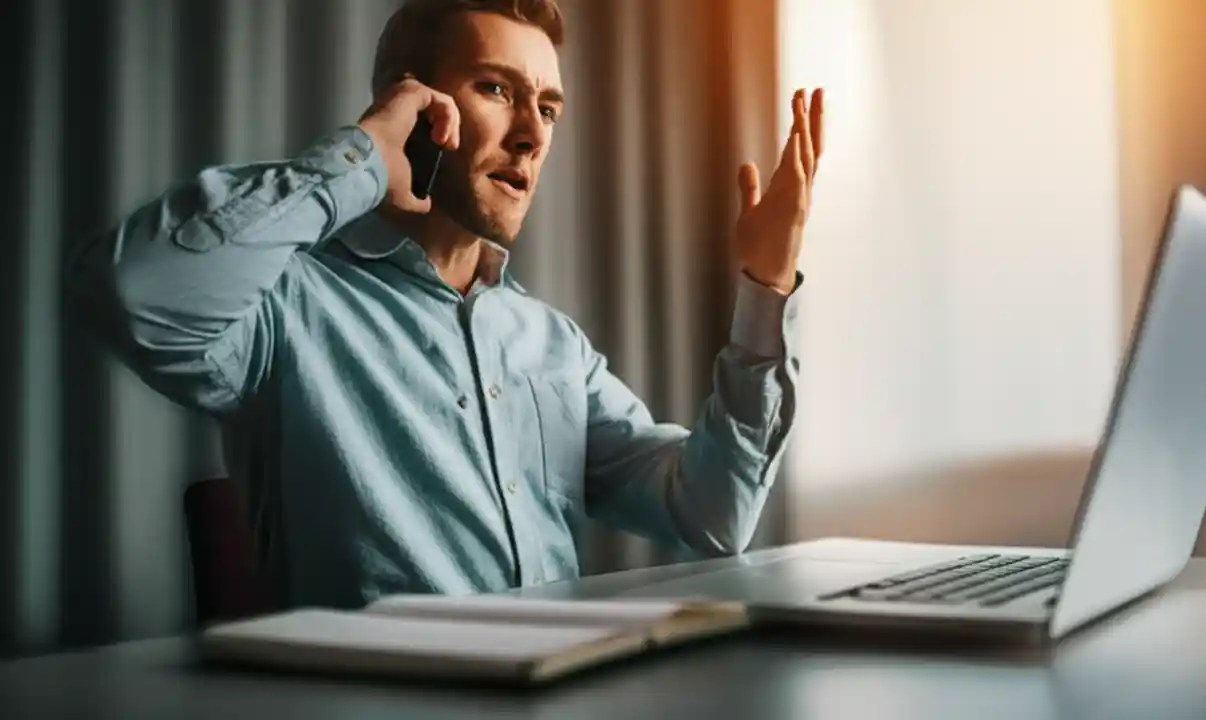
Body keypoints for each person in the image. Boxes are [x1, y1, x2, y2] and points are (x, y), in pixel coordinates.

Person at [68, 0, 824, 609]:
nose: (531, 134)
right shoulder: (286, 306)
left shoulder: (551, 344)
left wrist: (767, 281)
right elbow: (136, 290)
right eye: (497, 89)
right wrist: (363, 157)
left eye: (550, 107)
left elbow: (714, 515)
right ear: (415, 104)